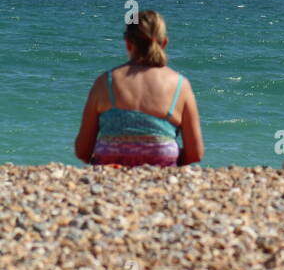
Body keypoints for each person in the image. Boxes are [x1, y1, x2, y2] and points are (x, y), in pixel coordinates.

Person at [75, 10, 204, 167]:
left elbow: (82, 151)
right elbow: (195, 153)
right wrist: (167, 155)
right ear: (164, 43)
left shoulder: (105, 82)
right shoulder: (179, 85)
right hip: (162, 171)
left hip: (109, 172)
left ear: (128, 43)